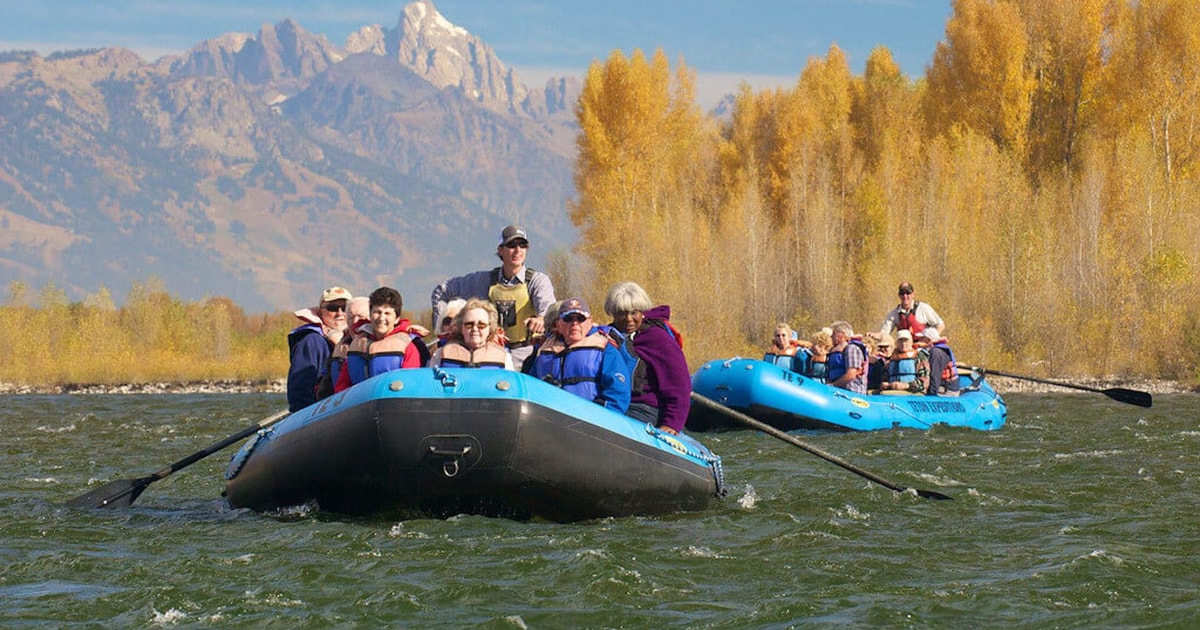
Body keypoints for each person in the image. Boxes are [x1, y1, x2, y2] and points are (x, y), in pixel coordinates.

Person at [430, 224, 556, 370]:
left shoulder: (537, 281)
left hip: (527, 359)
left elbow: (550, 312)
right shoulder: (483, 281)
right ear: (500, 250)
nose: (518, 250)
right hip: (490, 359)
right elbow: (441, 291)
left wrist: (541, 319)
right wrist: (442, 330)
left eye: (522, 245)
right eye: (511, 245)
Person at [604, 281, 690, 435]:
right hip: (614, 405)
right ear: (613, 313)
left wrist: (671, 423)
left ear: (642, 312)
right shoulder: (607, 336)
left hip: (646, 410)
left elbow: (679, 384)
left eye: (634, 312)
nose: (629, 319)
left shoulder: (657, 339)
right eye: (622, 313)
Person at [527, 297, 631, 413]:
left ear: (589, 322)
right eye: (568, 319)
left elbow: (618, 392)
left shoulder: (605, 349)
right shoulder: (543, 350)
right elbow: (531, 386)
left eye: (580, 319)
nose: (574, 323)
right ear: (559, 324)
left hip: (591, 420)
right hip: (549, 417)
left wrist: (600, 415)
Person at [334, 287, 427, 392]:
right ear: (370, 314)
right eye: (377, 312)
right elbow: (342, 384)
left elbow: (410, 385)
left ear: (396, 319)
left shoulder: (408, 348)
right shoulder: (357, 344)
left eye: (387, 313)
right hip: (358, 404)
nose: (381, 318)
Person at [287, 286, 352, 412]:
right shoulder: (311, 342)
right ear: (320, 312)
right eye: (332, 308)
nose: (339, 313)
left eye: (345, 308)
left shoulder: (357, 341)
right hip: (320, 414)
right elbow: (300, 390)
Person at [429, 298, 514, 369]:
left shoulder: (504, 356)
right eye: (469, 324)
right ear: (461, 327)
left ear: (489, 329)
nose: (474, 329)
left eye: (481, 325)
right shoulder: (440, 354)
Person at [316, 296, 370, 400]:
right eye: (350, 317)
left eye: (361, 317)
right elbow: (324, 388)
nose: (355, 321)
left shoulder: (383, 344)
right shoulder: (340, 348)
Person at [879, 282, 945, 339]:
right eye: (902, 293)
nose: (905, 296)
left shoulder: (923, 308)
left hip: (924, 346)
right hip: (904, 347)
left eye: (908, 293)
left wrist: (932, 337)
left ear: (913, 294)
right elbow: (884, 333)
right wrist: (873, 335)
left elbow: (940, 325)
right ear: (899, 295)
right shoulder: (894, 314)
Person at [880, 329, 929, 393]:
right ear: (896, 343)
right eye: (900, 341)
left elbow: (925, 382)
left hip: (913, 392)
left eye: (906, 341)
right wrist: (885, 384)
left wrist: (907, 385)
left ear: (911, 342)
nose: (903, 344)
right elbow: (885, 376)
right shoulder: (892, 356)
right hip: (893, 391)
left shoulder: (918, 356)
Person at [826, 321, 867, 394]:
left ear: (841, 335)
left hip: (851, 392)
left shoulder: (851, 349)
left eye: (833, 334)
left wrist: (833, 385)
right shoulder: (833, 350)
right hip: (837, 391)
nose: (831, 337)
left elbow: (851, 375)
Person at [919, 328, 960, 396]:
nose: (920, 340)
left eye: (922, 338)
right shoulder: (938, 349)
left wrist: (931, 395)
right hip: (946, 386)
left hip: (947, 390)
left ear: (928, 339)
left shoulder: (936, 353)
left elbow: (935, 375)